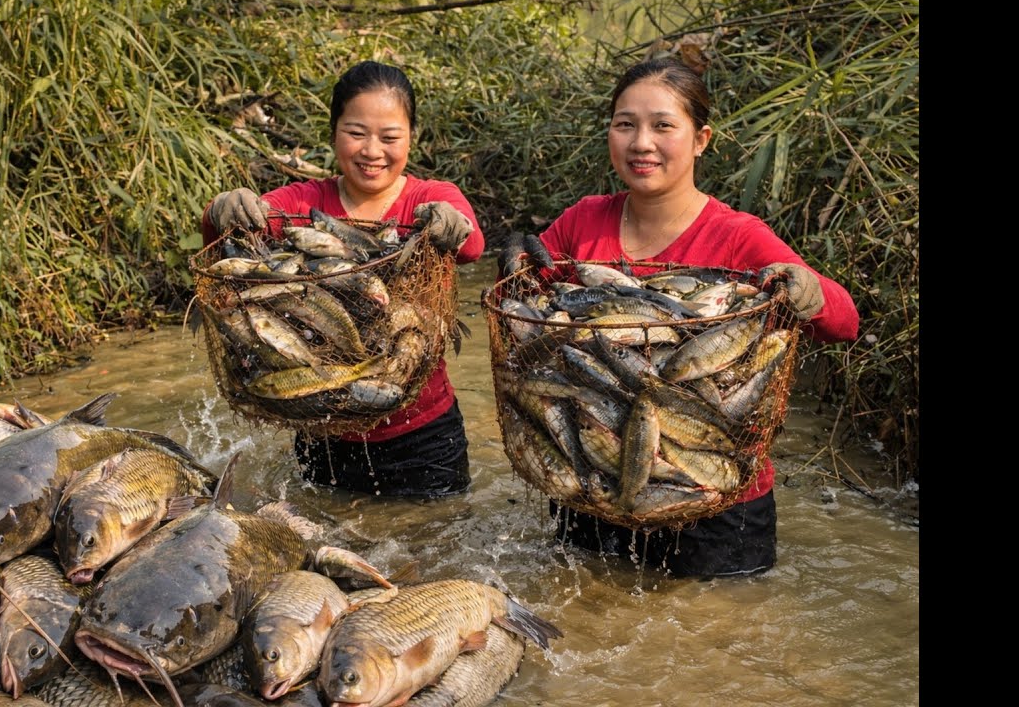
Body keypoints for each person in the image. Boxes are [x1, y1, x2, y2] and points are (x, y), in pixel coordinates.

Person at [536, 56, 860, 577]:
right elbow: (528, 287)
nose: (641, 143)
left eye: (663, 126)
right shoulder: (583, 220)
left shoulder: (737, 237)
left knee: (715, 627)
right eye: (625, 124)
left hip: (717, 501)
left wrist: (808, 291)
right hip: (599, 485)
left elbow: (844, 322)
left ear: (701, 139)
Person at [201, 60, 485, 498]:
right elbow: (231, 231)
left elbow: (472, 246)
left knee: (435, 532)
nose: (372, 150)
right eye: (356, 133)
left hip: (424, 435)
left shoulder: (429, 197)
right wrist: (222, 208)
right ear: (333, 132)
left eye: (390, 137)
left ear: (412, 137)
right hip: (323, 434)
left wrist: (452, 224)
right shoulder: (303, 204)